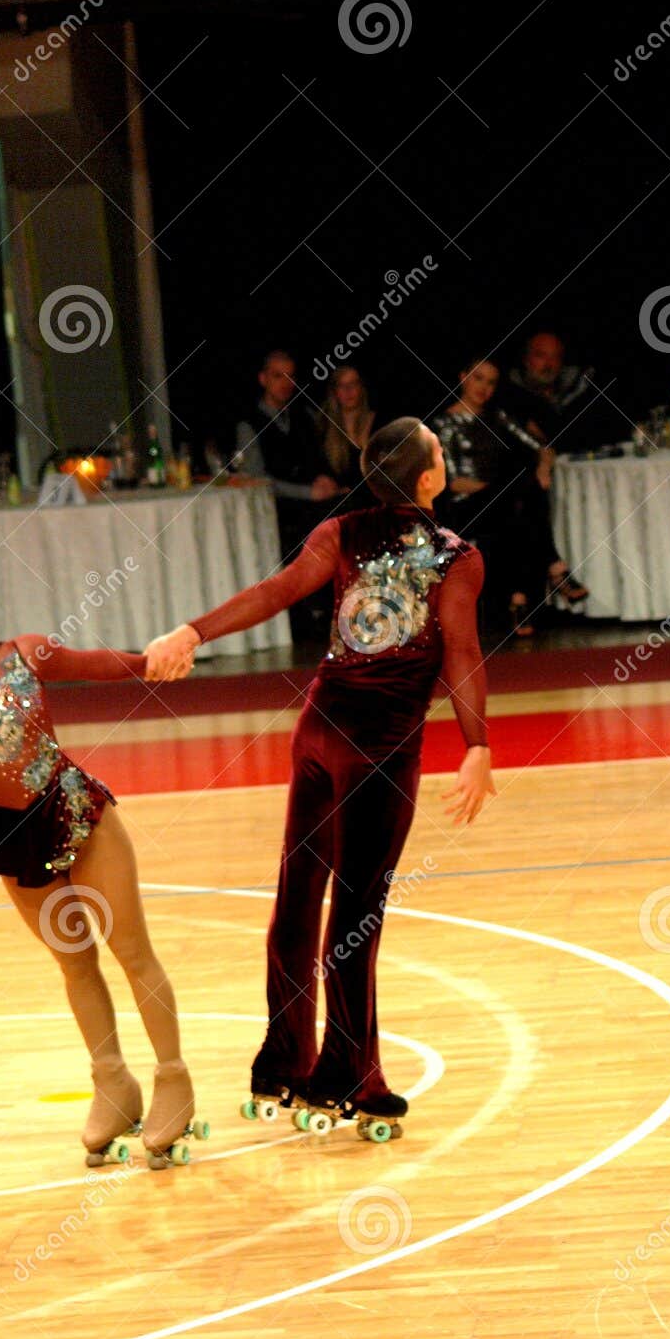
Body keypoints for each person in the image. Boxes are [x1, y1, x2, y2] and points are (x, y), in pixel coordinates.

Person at [144, 418, 493, 1134]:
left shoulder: (339, 533)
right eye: (437, 449)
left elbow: (275, 593)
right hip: (379, 749)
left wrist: (192, 632)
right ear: (429, 478)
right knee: (357, 911)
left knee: (299, 898)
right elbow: (460, 649)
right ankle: (348, 1078)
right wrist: (478, 744)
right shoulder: (458, 557)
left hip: (316, 735)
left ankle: (283, 1063)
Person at [0, 568, 202, 1170]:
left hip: (75, 815)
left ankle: (173, 1079)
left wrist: (155, 661)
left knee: (131, 952)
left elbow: (97, 664)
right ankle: (114, 1083)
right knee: (75, 962)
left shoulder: (25, 653)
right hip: (10, 839)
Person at [433, 358, 586, 636]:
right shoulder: (446, 423)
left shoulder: (497, 417)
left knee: (517, 511)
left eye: (491, 382)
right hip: (468, 505)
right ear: (463, 377)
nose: (484, 388)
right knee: (517, 497)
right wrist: (499, 492)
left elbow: (542, 447)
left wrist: (542, 468)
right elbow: (455, 482)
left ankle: (518, 601)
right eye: (478, 379)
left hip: (501, 504)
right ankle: (555, 570)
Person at [235, 350, 339, 637]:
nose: (285, 383)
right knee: (317, 522)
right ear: (263, 379)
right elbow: (258, 480)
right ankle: (310, 611)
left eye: (290, 376)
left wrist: (324, 479)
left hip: (311, 499)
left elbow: (316, 458)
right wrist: (308, 492)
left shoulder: (302, 416)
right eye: (277, 376)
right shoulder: (250, 423)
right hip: (277, 505)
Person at [505, 331, 604, 450]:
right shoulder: (508, 396)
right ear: (526, 360)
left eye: (555, 357)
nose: (549, 365)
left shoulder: (582, 390)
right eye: (540, 355)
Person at [317, 364, 379, 496]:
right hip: (342, 505)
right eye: (341, 385)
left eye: (353, 383)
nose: (348, 390)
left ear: (361, 387)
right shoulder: (323, 428)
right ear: (334, 391)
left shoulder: (378, 423)